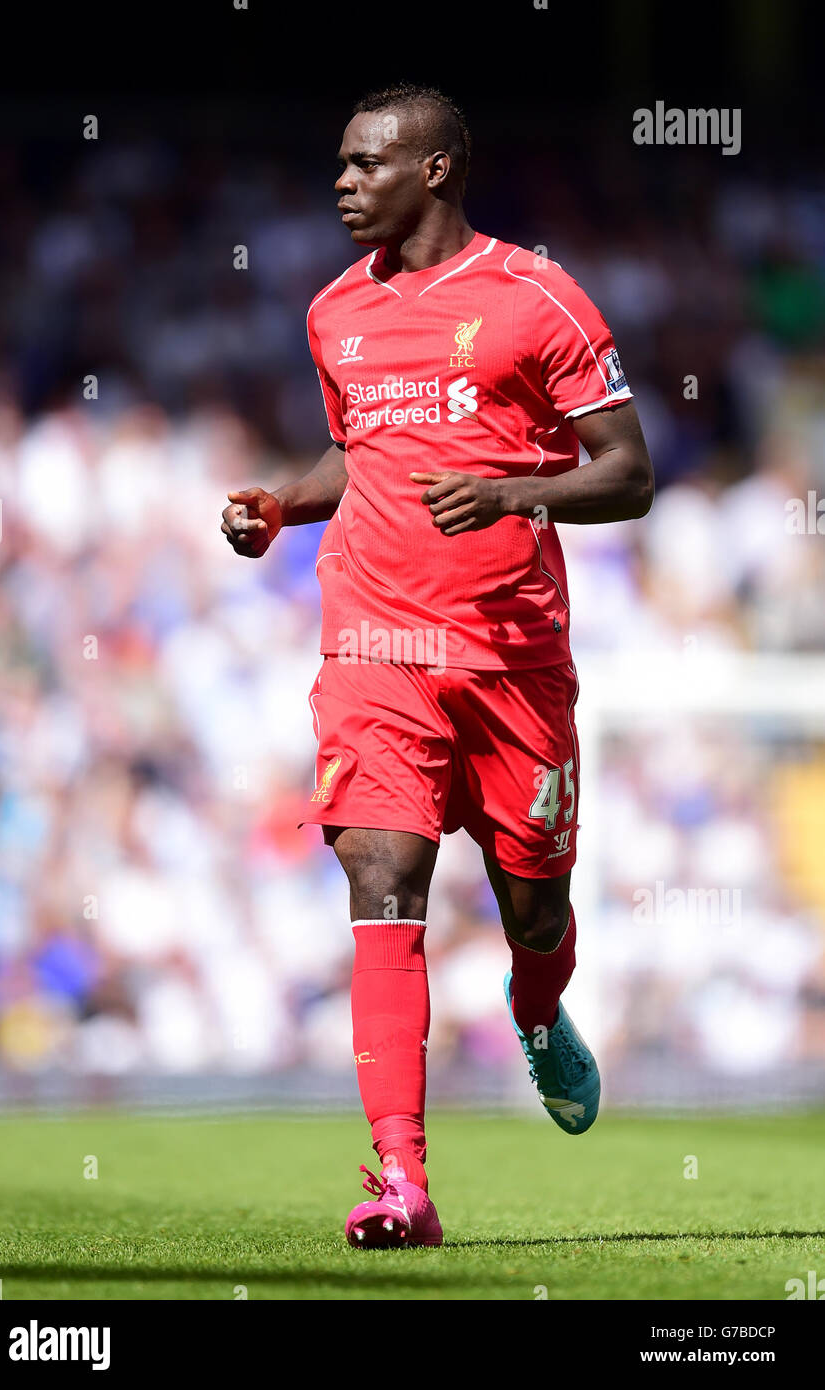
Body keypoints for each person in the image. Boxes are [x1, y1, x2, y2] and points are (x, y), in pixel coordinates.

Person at [221, 83, 654, 1248]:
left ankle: (536, 1005)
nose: (342, 182)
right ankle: (402, 1185)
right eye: (339, 164)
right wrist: (280, 502)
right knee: (380, 880)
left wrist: (512, 491)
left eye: (366, 163)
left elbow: (627, 473)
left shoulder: (535, 298)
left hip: (512, 659)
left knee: (532, 905)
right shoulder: (332, 313)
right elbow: (358, 456)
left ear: (437, 170)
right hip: (374, 646)